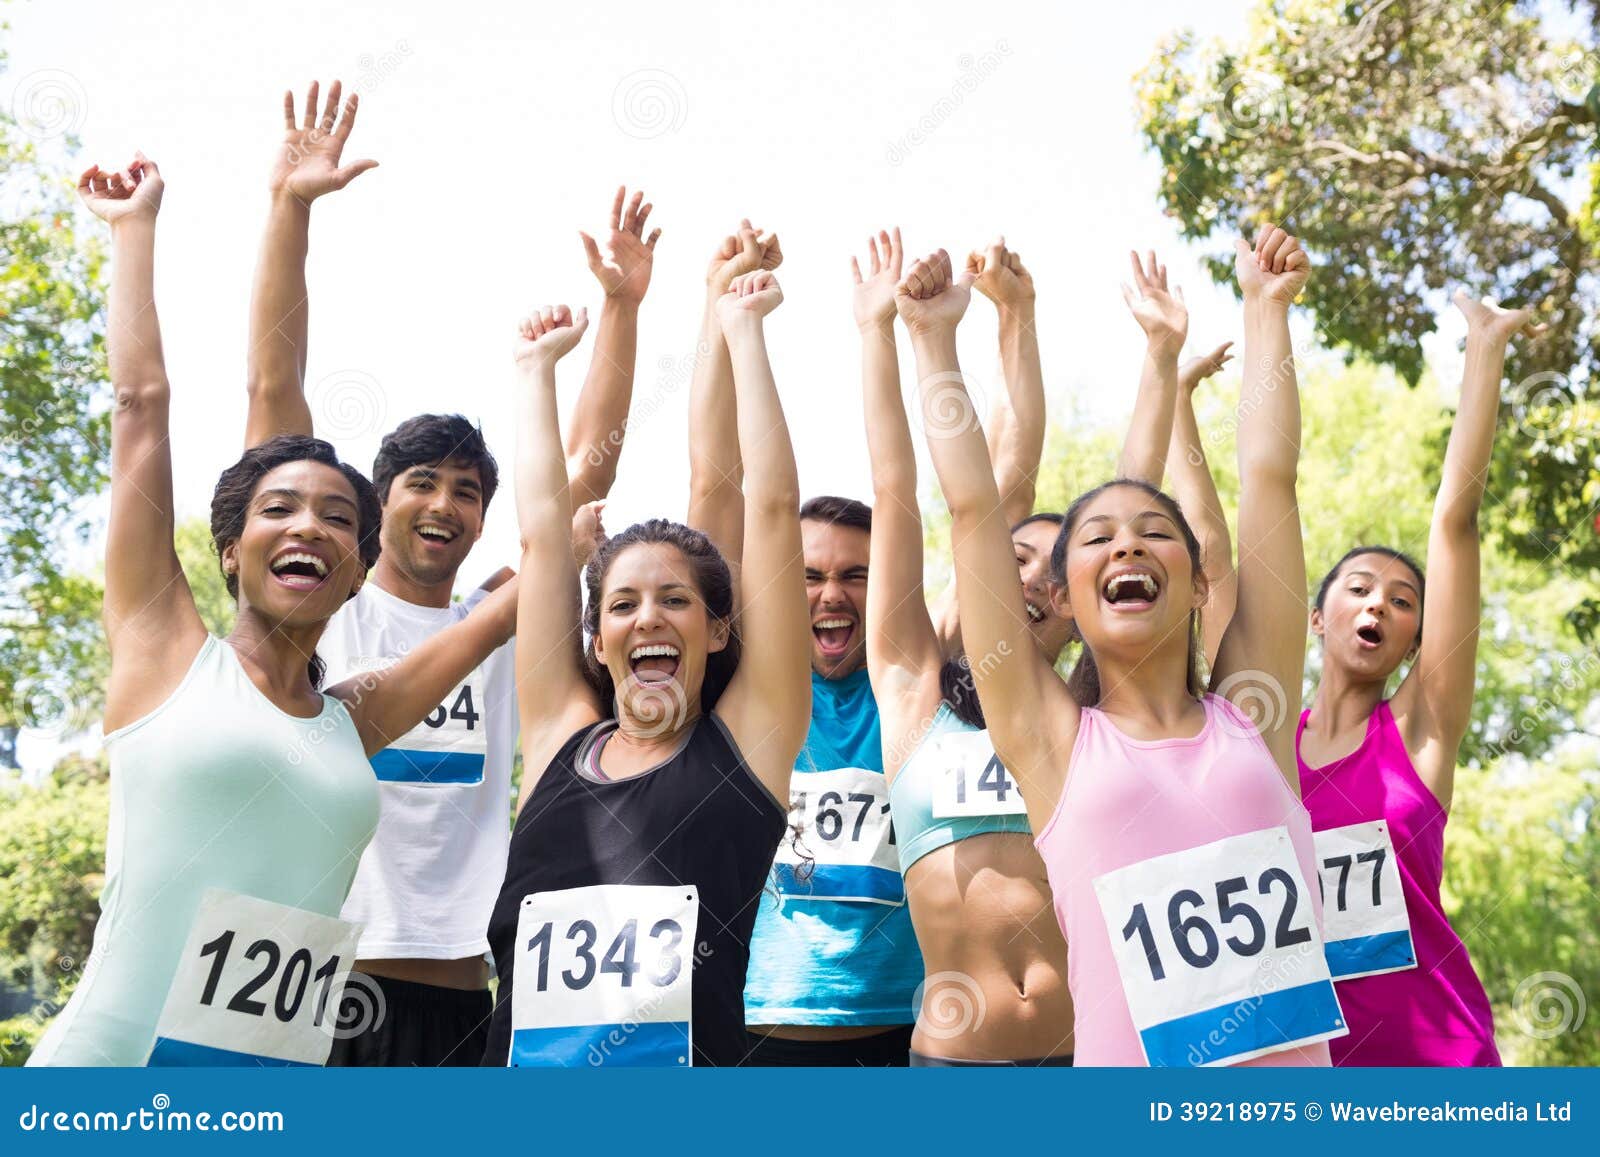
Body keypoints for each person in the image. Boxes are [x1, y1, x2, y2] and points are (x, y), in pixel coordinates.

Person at [30, 152, 516, 1068]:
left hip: (271, 1090)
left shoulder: (351, 717)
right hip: (115, 1074)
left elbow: (503, 612)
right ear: (230, 549)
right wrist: (135, 231)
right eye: (280, 508)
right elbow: (141, 405)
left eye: (339, 517)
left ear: (358, 563)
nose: (311, 527)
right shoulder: (165, 651)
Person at [242, 81, 656, 1065]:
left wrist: (621, 308)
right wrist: (290, 210)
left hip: (462, 987)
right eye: (420, 483)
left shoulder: (504, 617)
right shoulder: (321, 607)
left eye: (467, 490)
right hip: (312, 985)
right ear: (377, 504)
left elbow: (583, 476)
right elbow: (272, 391)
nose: (444, 504)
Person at [903, 227, 1345, 1067]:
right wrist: (931, 341)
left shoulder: (1256, 707)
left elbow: (1270, 481)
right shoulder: (1051, 741)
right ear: (1065, 596)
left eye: (1154, 532)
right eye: (1097, 538)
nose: (1127, 547)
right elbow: (971, 514)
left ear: (1202, 581)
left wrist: (1267, 314)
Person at [481, 269, 809, 1067]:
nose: (648, 617)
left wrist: (745, 330)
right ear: (597, 640)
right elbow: (541, 540)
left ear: (719, 629)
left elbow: (769, 507)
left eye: (675, 601)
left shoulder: (748, 742)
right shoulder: (560, 734)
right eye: (623, 605)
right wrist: (534, 375)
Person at [1297, 290, 1541, 1066]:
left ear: (1414, 639)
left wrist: (1486, 350)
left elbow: (1453, 523)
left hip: (1437, 1063)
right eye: (1360, 587)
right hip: (1304, 1071)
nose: (1380, 603)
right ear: (1316, 616)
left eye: (1403, 601)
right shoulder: (1263, 744)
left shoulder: (1421, 725)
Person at [857, 226, 1074, 1064]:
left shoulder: (1087, 714)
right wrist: (900, 334)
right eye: (1017, 558)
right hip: (953, 1068)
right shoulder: (912, 691)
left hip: (1091, 1062)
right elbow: (910, 489)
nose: (1036, 581)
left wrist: (1019, 321)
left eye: (1061, 570)